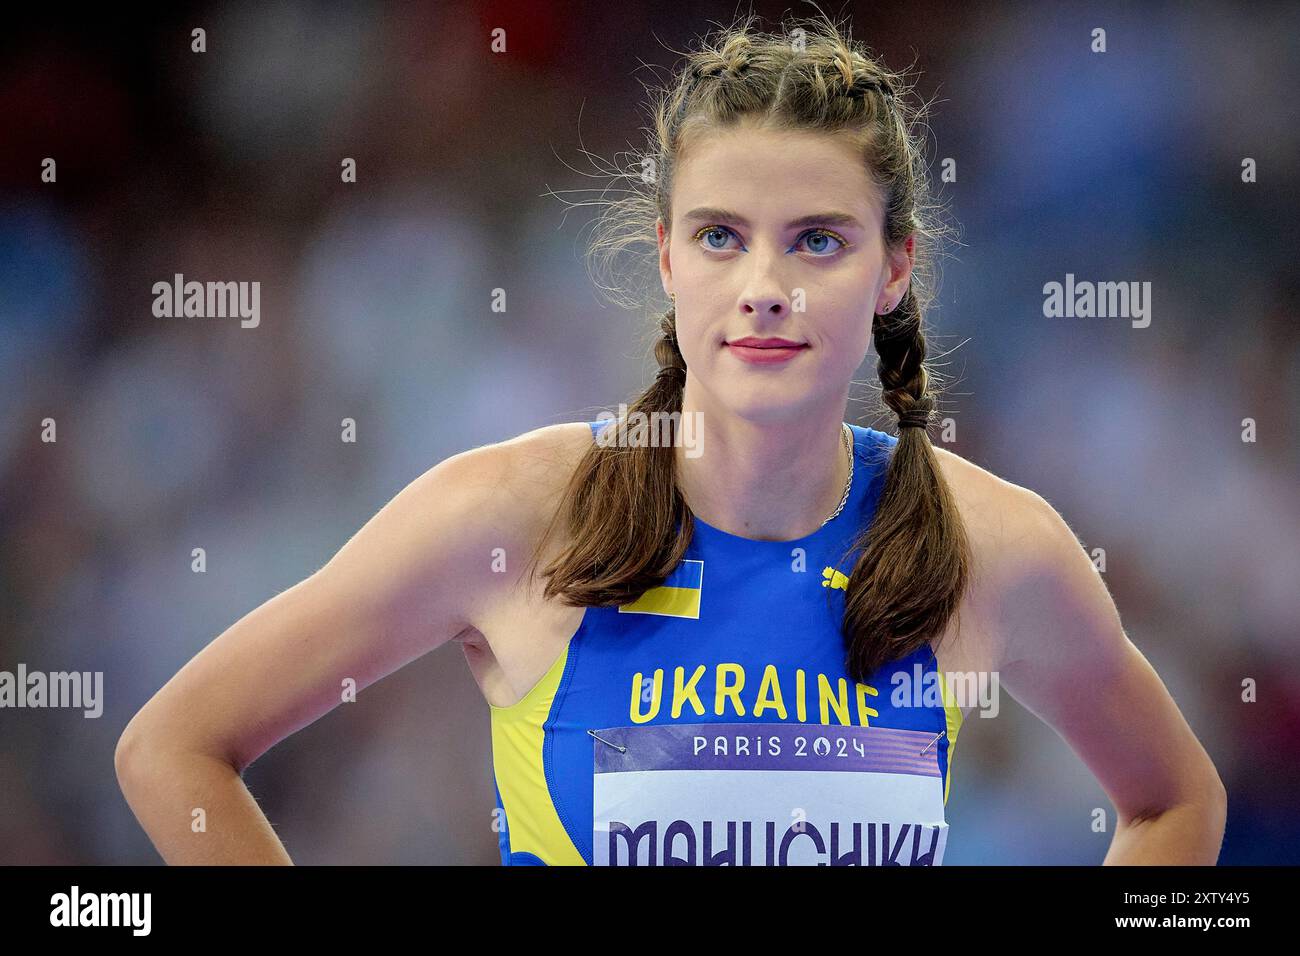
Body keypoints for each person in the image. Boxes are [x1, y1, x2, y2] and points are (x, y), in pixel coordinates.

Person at [115, 11, 1226, 866]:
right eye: (720, 237)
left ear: (894, 269)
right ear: (664, 258)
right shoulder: (513, 516)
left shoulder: (991, 545)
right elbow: (174, 747)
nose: (764, 289)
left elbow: (1176, 801)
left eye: (818, 241)